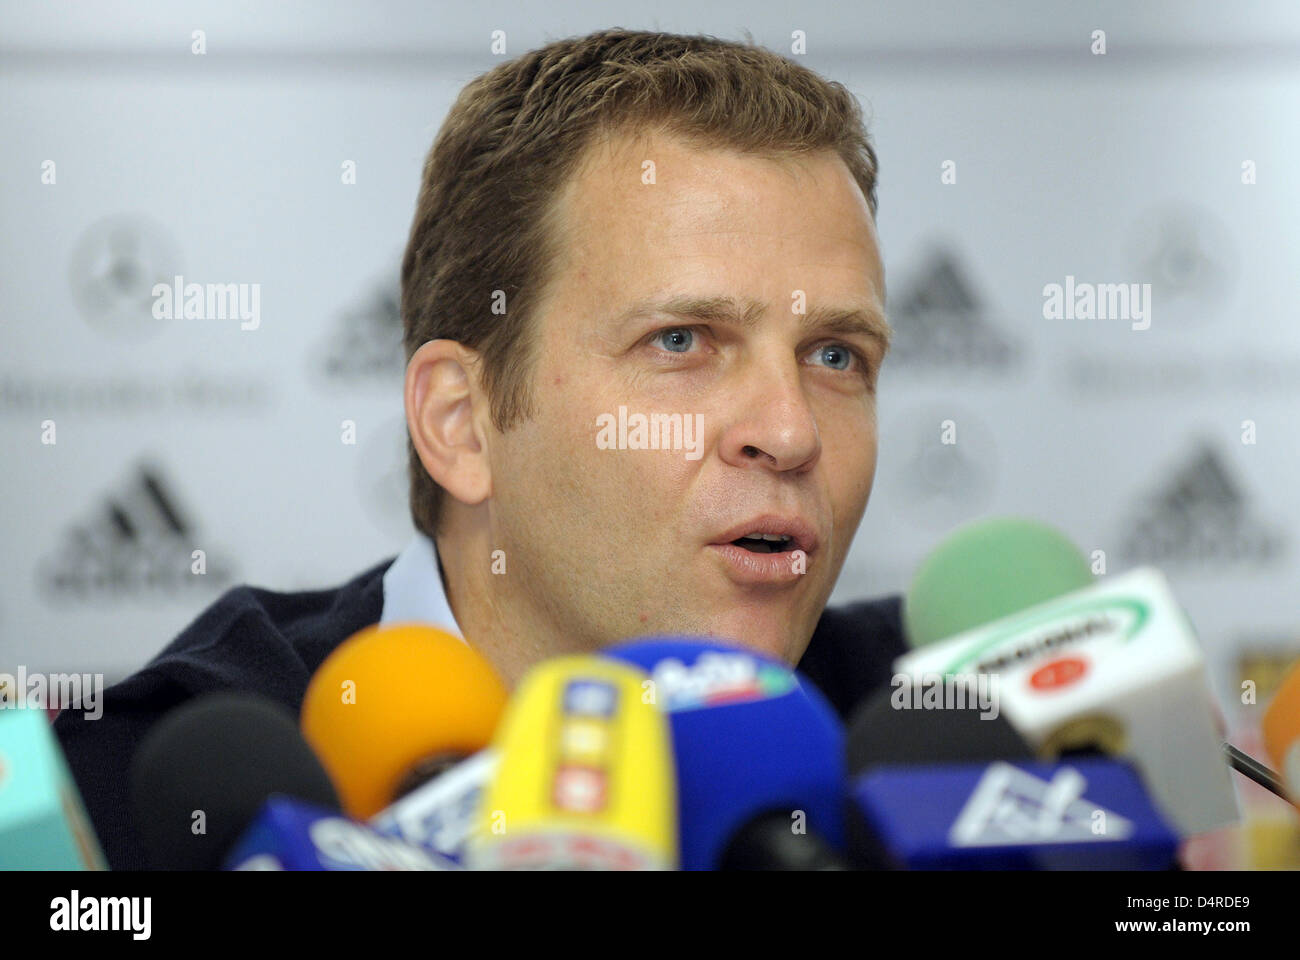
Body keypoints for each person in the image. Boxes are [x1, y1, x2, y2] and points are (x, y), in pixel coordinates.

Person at [56, 28, 905, 870]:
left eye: (837, 356)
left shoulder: (943, 749)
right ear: (461, 424)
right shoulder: (148, 797)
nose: (791, 432)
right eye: (681, 341)